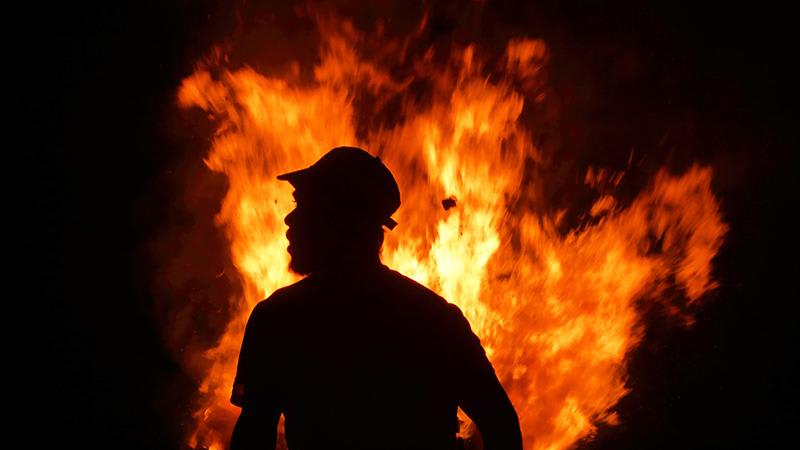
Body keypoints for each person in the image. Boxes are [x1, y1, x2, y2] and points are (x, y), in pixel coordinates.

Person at [229, 146, 522, 450]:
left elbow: (253, 434)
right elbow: (501, 422)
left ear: (340, 220)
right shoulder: (436, 318)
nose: (289, 220)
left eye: (304, 206)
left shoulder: (279, 319)